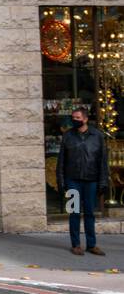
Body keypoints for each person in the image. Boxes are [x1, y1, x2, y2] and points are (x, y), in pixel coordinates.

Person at [56, 107, 109, 256]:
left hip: (91, 180)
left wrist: (103, 181)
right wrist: (61, 181)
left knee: (90, 213)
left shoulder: (97, 136)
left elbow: (102, 161)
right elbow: (61, 161)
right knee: (74, 212)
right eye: (73, 117)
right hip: (72, 180)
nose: (75, 120)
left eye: (78, 118)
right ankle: (76, 244)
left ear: (85, 119)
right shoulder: (68, 136)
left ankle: (91, 245)